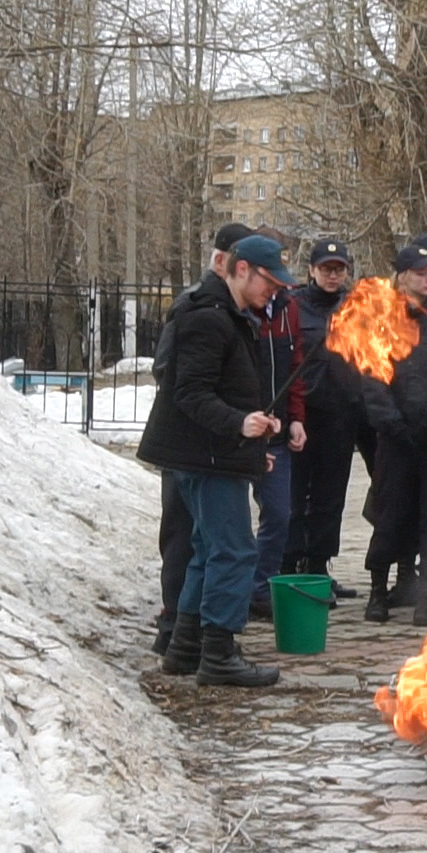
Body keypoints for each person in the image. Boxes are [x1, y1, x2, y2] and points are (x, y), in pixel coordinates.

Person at [138, 234, 298, 688]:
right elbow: (189, 392)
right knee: (233, 550)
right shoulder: (208, 316)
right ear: (242, 269)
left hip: (211, 454)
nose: (275, 290)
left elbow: (226, 391)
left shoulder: (229, 314)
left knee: (207, 550)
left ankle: (186, 648)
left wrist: (254, 440)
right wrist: (240, 426)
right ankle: (219, 654)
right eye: (270, 281)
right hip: (204, 458)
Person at [151, 222, 251, 656]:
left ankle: (185, 638)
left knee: (203, 542)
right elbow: (173, 375)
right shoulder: (198, 308)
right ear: (226, 261)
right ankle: (178, 627)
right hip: (192, 446)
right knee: (188, 537)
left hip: (216, 444)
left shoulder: (234, 309)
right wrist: (231, 420)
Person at [361, 241, 427, 626]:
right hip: (396, 436)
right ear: (403, 276)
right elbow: (372, 378)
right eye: (421, 273)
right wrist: (393, 423)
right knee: (390, 512)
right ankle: (378, 590)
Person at [284, 239, 364, 599]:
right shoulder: (294, 305)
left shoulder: (355, 305)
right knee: (295, 495)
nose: (333, 275)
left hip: (341, 412)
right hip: (302, 413)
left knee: (330, 497)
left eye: (339, 269)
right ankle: (289, 564)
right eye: (326, 269)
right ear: (312, 270)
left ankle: (318, 566)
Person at [246, 228, 309, 620]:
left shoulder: (289, 308)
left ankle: (259, 588)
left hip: (276, 432)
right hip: (239, 431)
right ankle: (230, 594)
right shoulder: (237, 311)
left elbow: (296, 367)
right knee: (231, 525)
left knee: (279, 515)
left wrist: (296, 418)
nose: (276, 285)